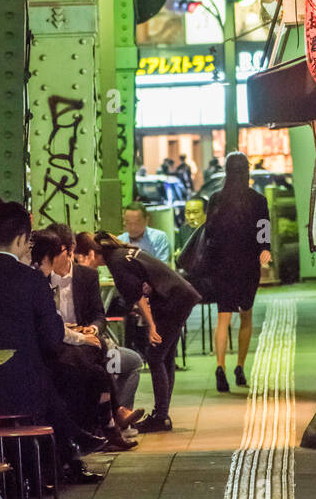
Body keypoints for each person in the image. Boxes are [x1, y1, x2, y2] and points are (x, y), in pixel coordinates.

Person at [0, 201, 103, 483]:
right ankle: (63, 459)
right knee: (63, 381)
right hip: (24, 390)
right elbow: (52, 336)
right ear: (22, 239)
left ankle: (68, 452)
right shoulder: (32, 280)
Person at [93, 231, 201, 433]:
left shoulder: (116, 262)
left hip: (173, 300)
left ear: (96, 253)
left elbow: (137, 297)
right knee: (165, 356)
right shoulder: (123, 253)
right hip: (180, 295)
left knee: (155, 356)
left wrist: (151, 326)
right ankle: (162, 415)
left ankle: (161, 416)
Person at [45, 222, 145, 439]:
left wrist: (92, 328)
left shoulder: (86, 276)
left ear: (70, 250)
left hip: (86, 339)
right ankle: (114, 416)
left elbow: (99, 315)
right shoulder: (41, 278)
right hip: (62, 343)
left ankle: (109, 420)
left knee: (111, 357)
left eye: (57, 252)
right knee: (96, 367)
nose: (52, 259)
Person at [204, 151, 271, 393]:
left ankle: (220, 366)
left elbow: (209, 232)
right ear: (247, 171)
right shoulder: (258, 200)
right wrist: (265, 249)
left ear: (227, 170)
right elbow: (263, 227)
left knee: (223, 318)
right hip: (247, 263)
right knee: (246, 315)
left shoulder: (216, 199)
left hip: (222, 264)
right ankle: (240, 367)